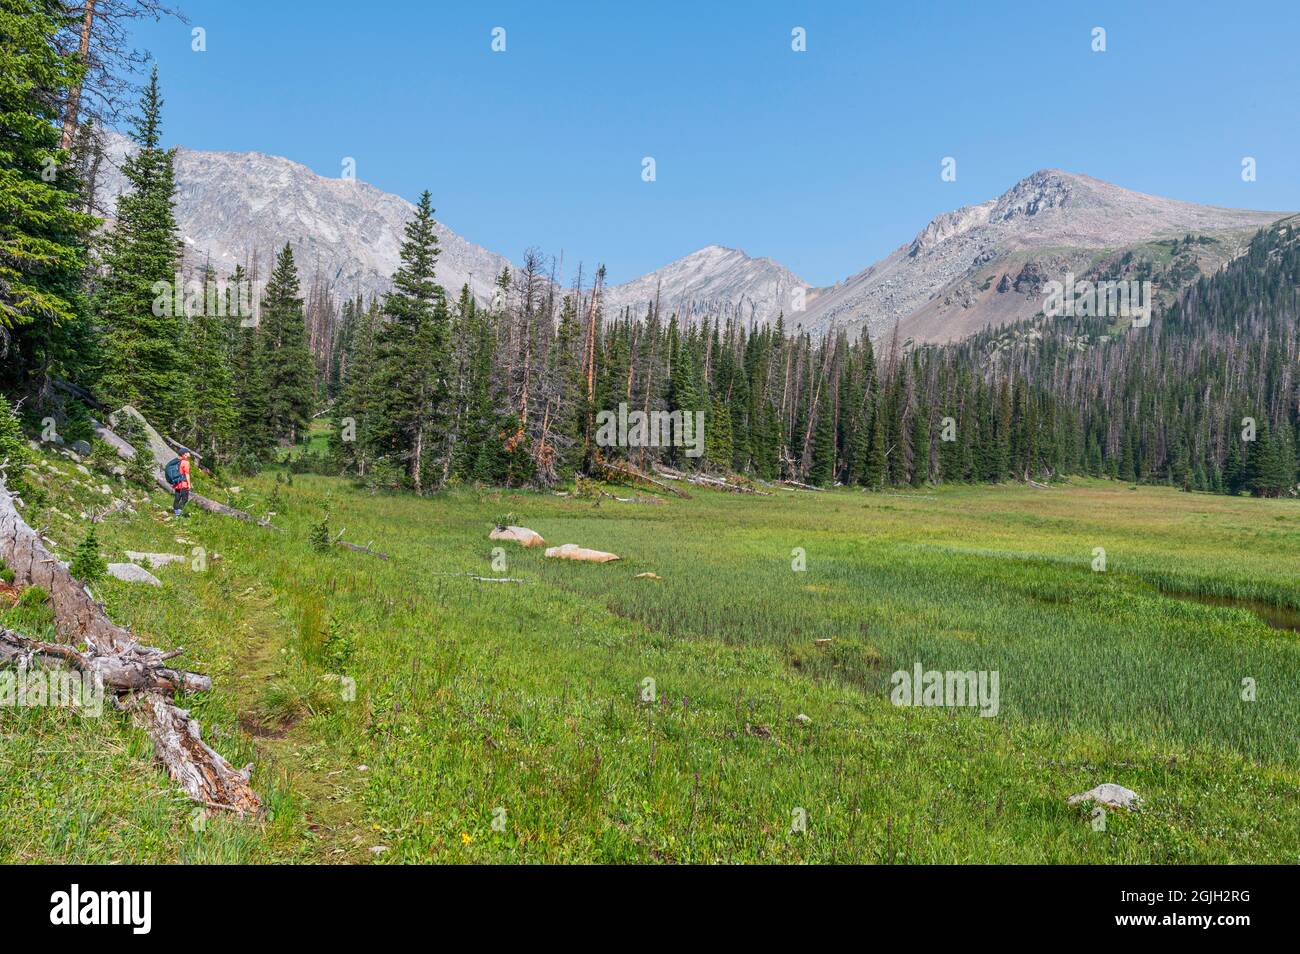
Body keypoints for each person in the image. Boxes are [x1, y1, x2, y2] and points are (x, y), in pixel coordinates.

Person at [166, 450, 192, 518]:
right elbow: (187, 474)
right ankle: (178, 514)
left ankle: (176, 513)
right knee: (185, 499)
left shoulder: (178, 461)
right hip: (184, 483)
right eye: (188, 452)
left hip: (177, 483)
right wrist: (189, 484)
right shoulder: (186, 462)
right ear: (184, 454)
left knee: (177, 498)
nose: (189, 453)